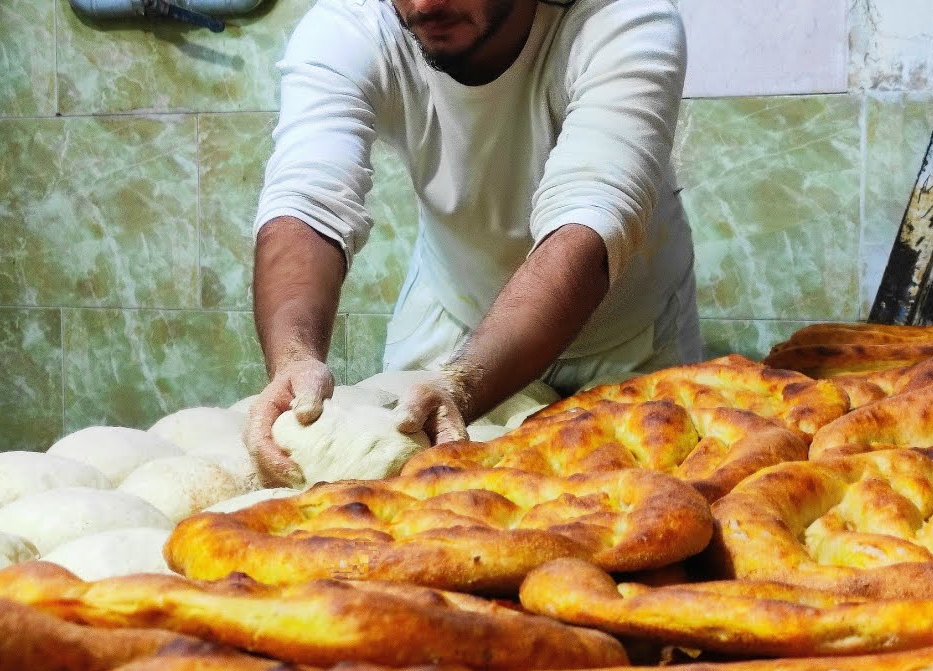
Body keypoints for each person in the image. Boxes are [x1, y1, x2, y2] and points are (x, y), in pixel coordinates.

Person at [243, 0, 701, 486]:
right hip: (451, 320)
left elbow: (588, 219)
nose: (424, 4)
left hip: (627, 339)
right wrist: (293, 358)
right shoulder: (353, 25)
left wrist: (462, 386)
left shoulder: (623, 19)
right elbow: (308, 198)